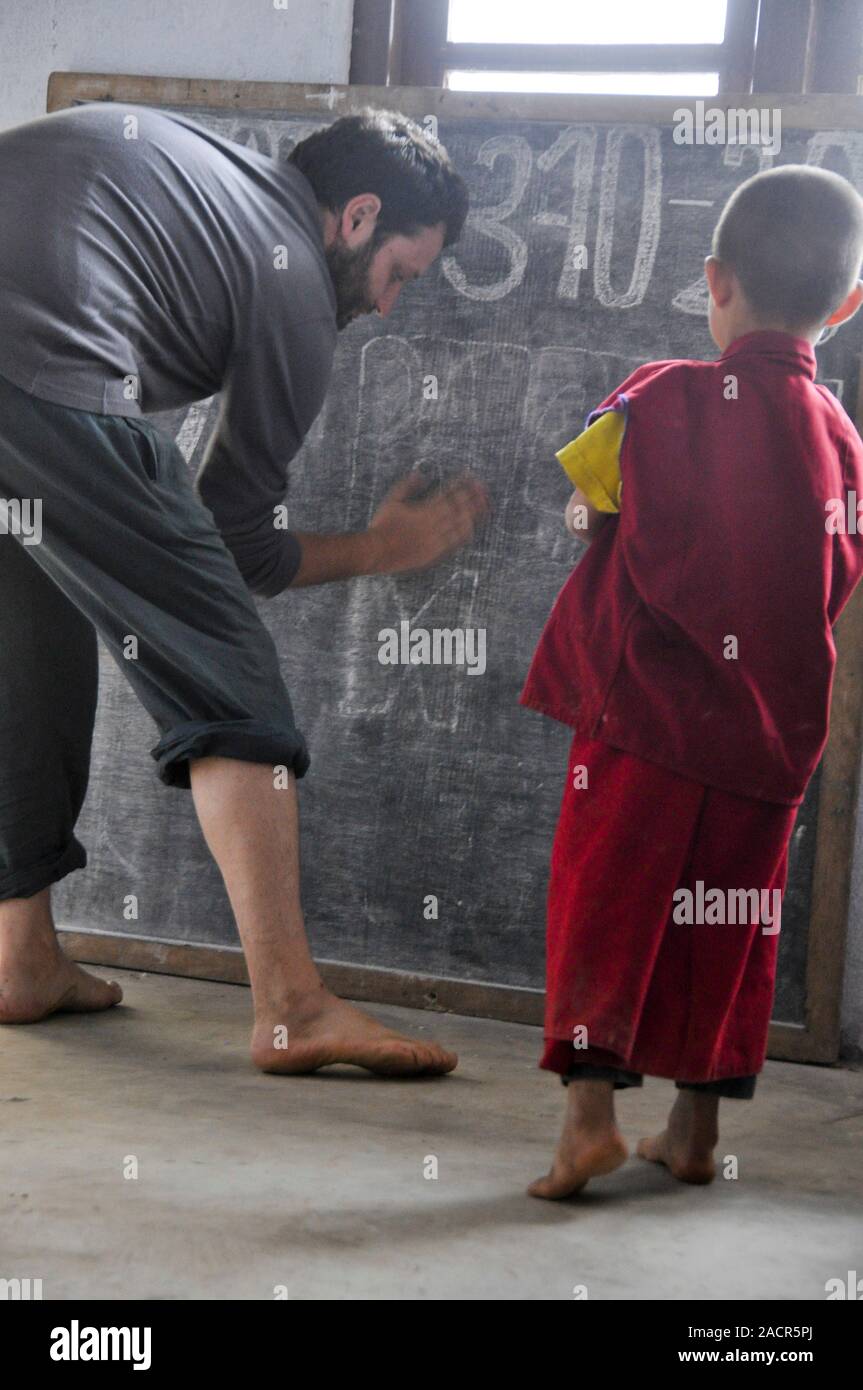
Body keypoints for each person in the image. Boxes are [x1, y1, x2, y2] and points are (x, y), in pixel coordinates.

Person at [0, 102, 487, 1077]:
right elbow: (234, 547)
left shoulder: (211, 179)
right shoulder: (294, 279)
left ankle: (19, 955)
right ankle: (293, 1007)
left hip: (27, 373)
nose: (387, 304)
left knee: (28, 647)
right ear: (354, 217)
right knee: (232, 686)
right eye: (399, 274)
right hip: (43, 372)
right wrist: (379, 548)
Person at [520, 164, 863, 1197]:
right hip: (766, 739)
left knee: (607, 905)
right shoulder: (845, 445)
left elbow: (588, 502)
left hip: (642, 718)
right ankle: (695, 1130)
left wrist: (595, 523)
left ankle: (587, 1122)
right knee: (728, 923)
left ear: (713, 282)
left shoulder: (656, 395)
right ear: (843, 308)